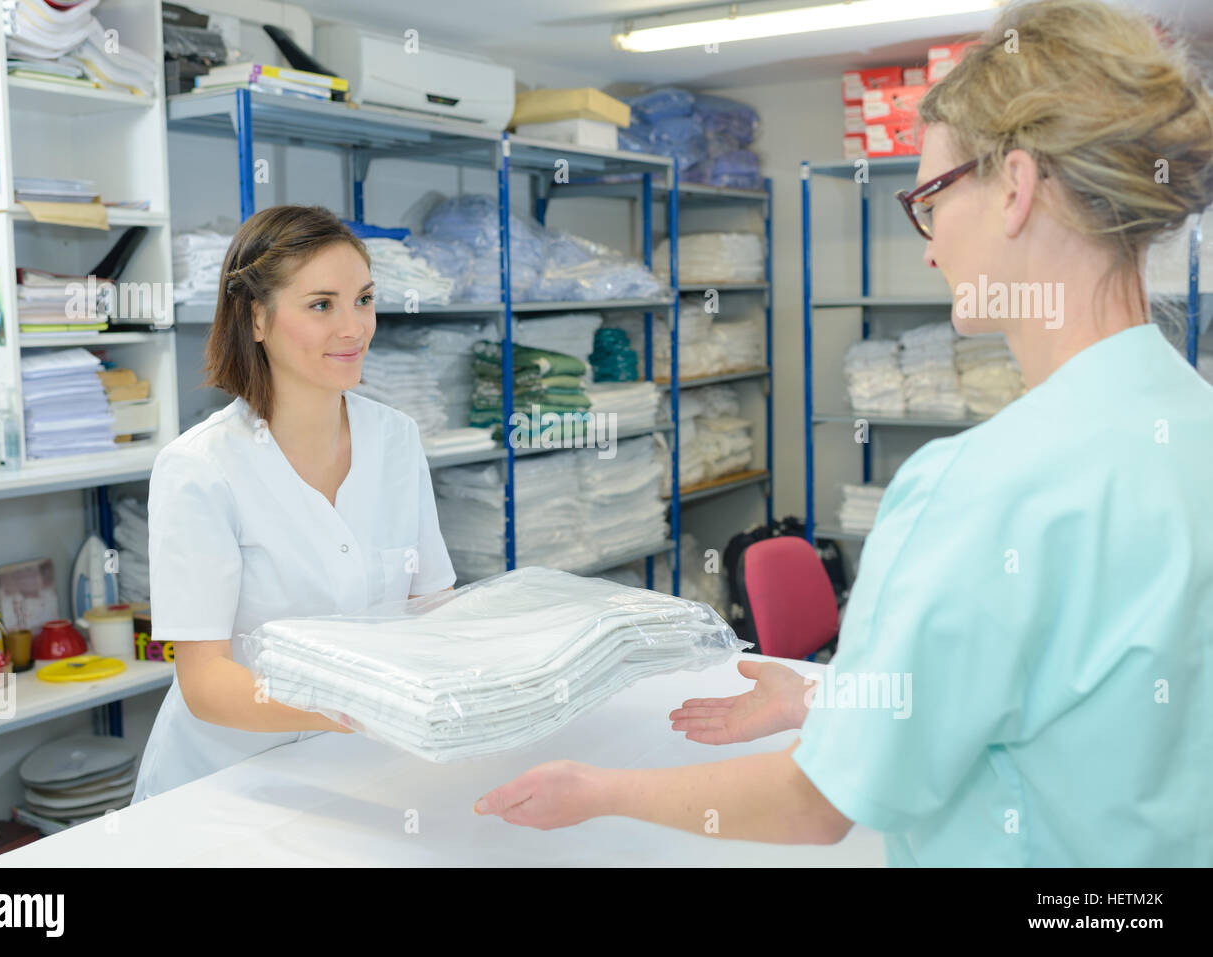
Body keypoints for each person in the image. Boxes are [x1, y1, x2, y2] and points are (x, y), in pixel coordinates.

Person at [474, 0, 1213, 866]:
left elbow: (813, 806)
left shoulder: (983, 486)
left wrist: (598, 791)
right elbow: (1078, 716)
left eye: (929, 197)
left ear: (1014, 187)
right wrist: (828, 703)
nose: (931, 248)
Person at [132, 206, 456, 804]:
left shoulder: (396, 439)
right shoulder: (200, 469)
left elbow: (430, 607)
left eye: (364, 299)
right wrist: (357, 706)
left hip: (360, 766)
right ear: (256, 318)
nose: (354, 327)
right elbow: (205, 682)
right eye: (321, 305)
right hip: (229, 782)